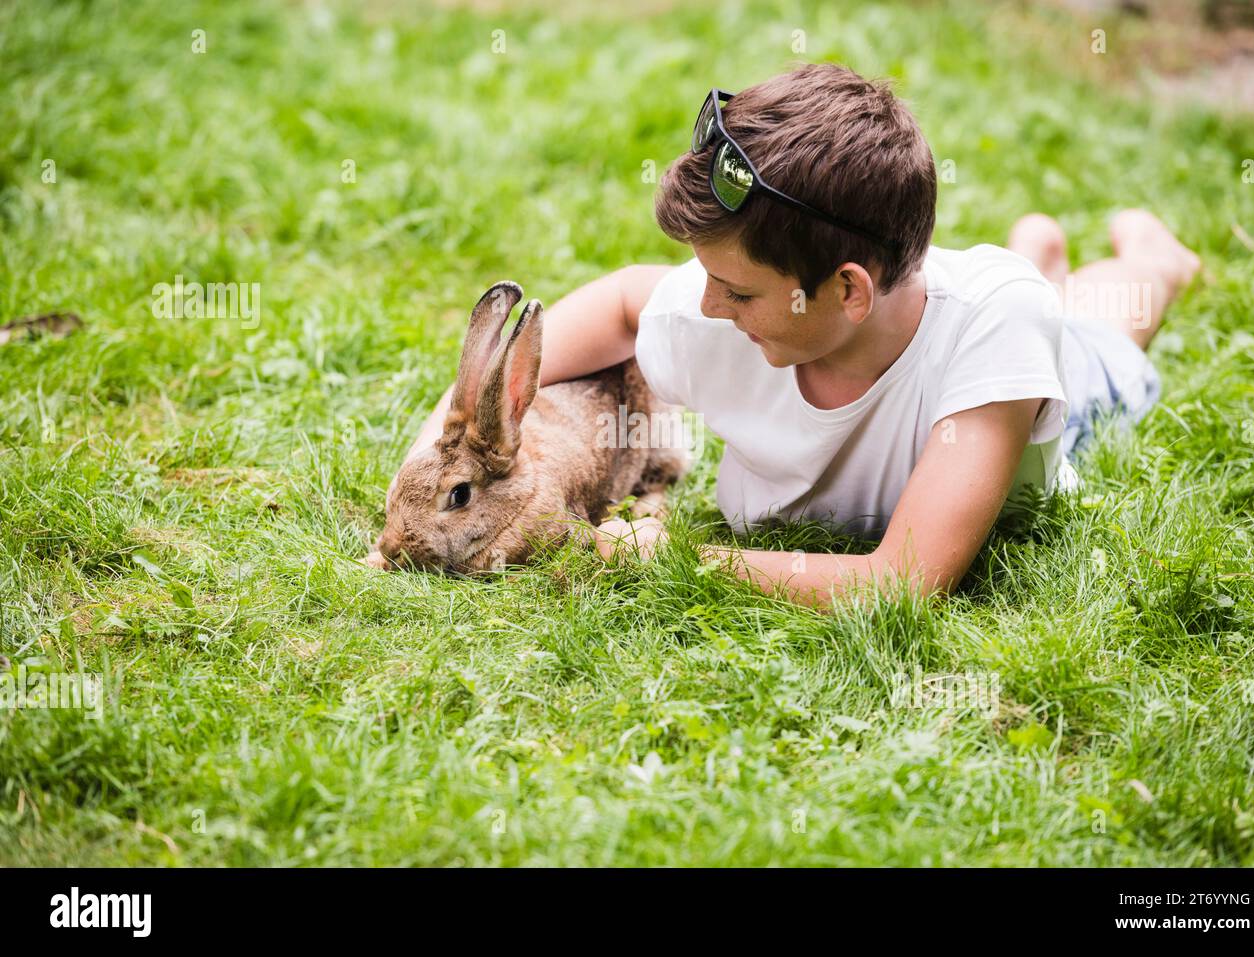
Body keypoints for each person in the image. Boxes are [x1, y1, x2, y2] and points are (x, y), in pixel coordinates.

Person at [393, 63, 1200, 609]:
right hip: (957, 315)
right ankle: (1037, 250)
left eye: (737, 289)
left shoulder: (996, 331)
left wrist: (678, 562)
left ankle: (1152, 259)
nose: (706, 306)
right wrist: (447, 438)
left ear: (845, 289)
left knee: (1095, 332)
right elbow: (623, 303)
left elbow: (906, 577)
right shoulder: (726, 323)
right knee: (1036, 300)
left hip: (1053, 377)